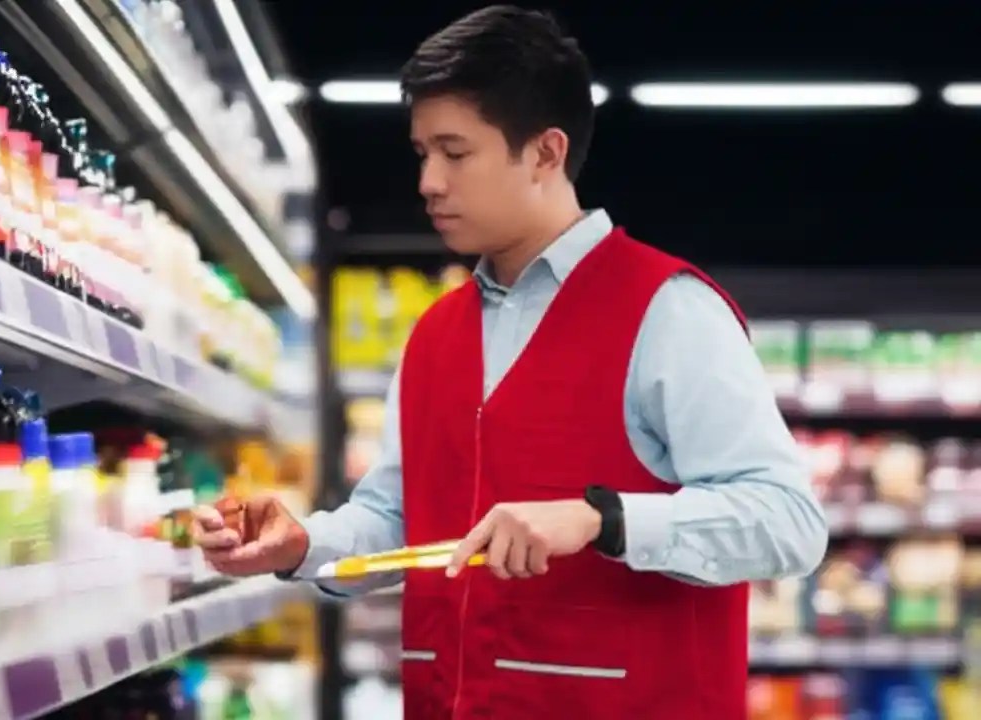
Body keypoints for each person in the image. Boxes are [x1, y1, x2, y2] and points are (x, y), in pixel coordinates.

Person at [192, 5, 827, 718]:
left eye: (455, 152)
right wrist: (301, 543)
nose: (429, 181)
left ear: (546, 153)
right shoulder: (435, 334)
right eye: (421, 152)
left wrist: (603, 521)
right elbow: (398, 517)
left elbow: (788, 521)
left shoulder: (667, 311)